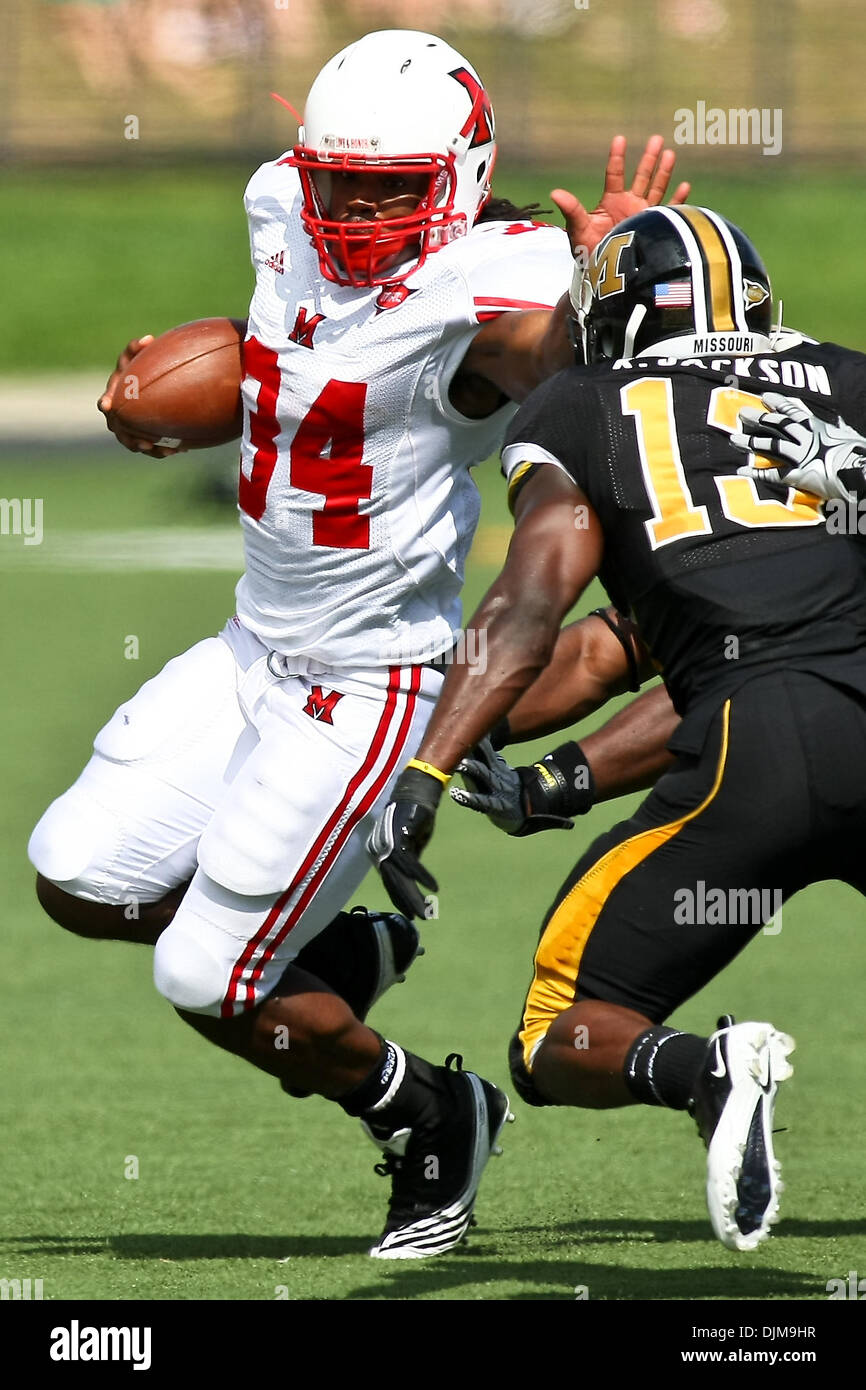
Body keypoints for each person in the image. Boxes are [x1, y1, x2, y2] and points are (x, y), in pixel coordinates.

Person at [28, 29, 688, 1259]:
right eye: (339, 179)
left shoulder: (500, 287)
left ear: (462, 176)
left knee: (207, 978)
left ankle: (432, 1114)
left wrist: (613, 284)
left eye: (391, 188)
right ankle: (333, 947)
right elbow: (306, 348)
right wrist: (208, 379)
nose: (357, 209)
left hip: (369, 682)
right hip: (251, 647)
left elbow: (579, 365)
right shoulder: (279, 202)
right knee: (77, 873)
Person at [369, 203, 866, 1251]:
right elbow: (701, 642)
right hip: (787, 701)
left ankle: (704, 1072)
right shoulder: (849, 379)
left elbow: (529, 609)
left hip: (763, 747)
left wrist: (424, 766)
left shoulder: (581, 404)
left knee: (556, 1030)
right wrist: (565, 779)